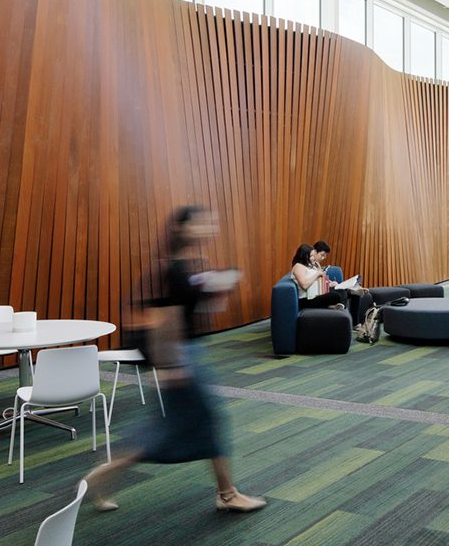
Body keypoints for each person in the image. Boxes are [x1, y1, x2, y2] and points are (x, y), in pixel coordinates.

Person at [85, 206, 266, 513]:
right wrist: (171, 366)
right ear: (181, 228)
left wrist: (216, 288)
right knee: (187, 427)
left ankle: (102, 477)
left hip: (190, 353)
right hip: (183, 357)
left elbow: (195, 310)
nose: (208, 228)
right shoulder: (171, 268)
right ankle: (226, 493)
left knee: (185, 425)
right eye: (200, 223)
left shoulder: (188, 265)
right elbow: (163, 320)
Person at [291, 243, 349, 309]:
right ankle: (338, 304)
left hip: (315, 293)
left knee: (341, 290)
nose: (314, 258)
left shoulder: (308, 266)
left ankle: (341, 305)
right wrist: (317, 274)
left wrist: (329, 284)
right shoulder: (298, 266)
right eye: (311, 256)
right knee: (335, 296)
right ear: (305, 256)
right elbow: (304, 285)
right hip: (307, 299)